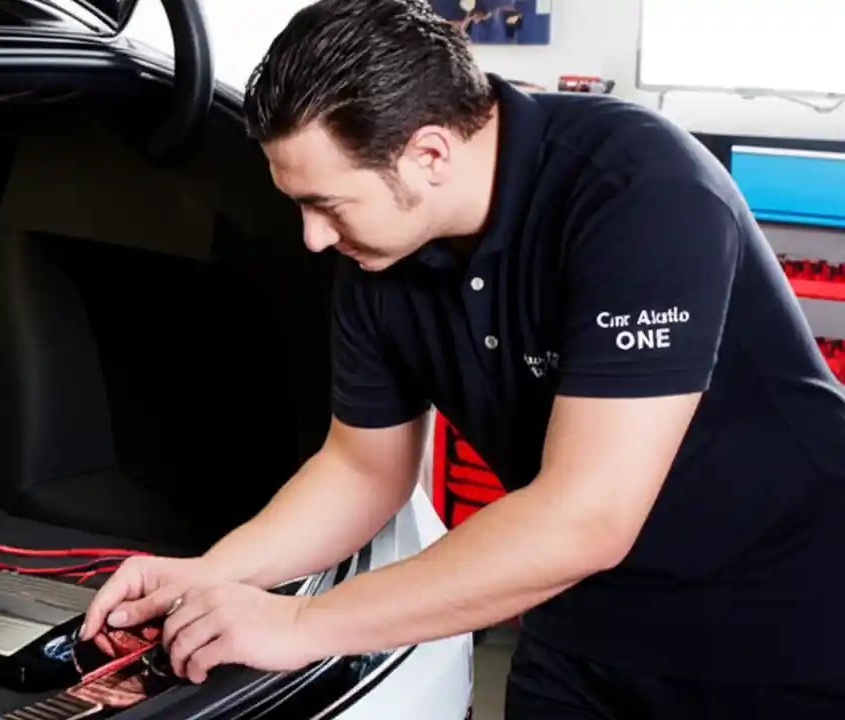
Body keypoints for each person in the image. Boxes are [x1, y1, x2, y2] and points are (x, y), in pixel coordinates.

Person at [80, 0, 845, 716]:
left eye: (328, 205)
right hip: (575, 622)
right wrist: (213, 574)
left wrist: (303, 623)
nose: (312, 237)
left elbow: (589, 517)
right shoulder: (374, 251)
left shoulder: (637, 189)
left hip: (772, 622)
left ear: (430, 153)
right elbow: (362, 468)